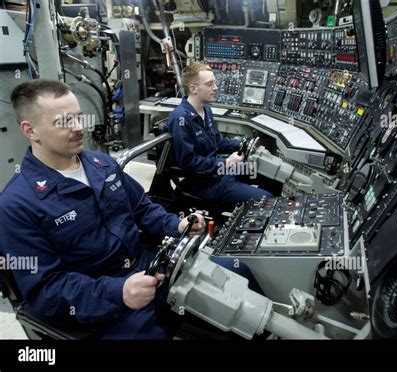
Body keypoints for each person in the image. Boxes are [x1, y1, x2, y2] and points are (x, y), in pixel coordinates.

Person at [0, 79, 206, 339]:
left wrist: (176, 224)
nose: (79, 128)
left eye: (78, 117)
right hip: (100, 306)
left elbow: (142, 208)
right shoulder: (16, 205)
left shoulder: (102, 164)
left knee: (231, 281)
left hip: (149, 269)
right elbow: (46, 290)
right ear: (31, 131)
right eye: (64, 122)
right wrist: (119, 292)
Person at [166, 63, 273, 204]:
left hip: (221, 170)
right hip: (205, 183)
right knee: (267, 199)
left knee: (271, 175)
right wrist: (227, 162)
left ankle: (250, 206)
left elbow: (218, 142)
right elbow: (188, 163)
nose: (215, 88)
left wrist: (243, 144)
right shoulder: (180, 119)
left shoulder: (206, 110)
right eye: (210, 84)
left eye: (214, 83)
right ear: (193, 89)